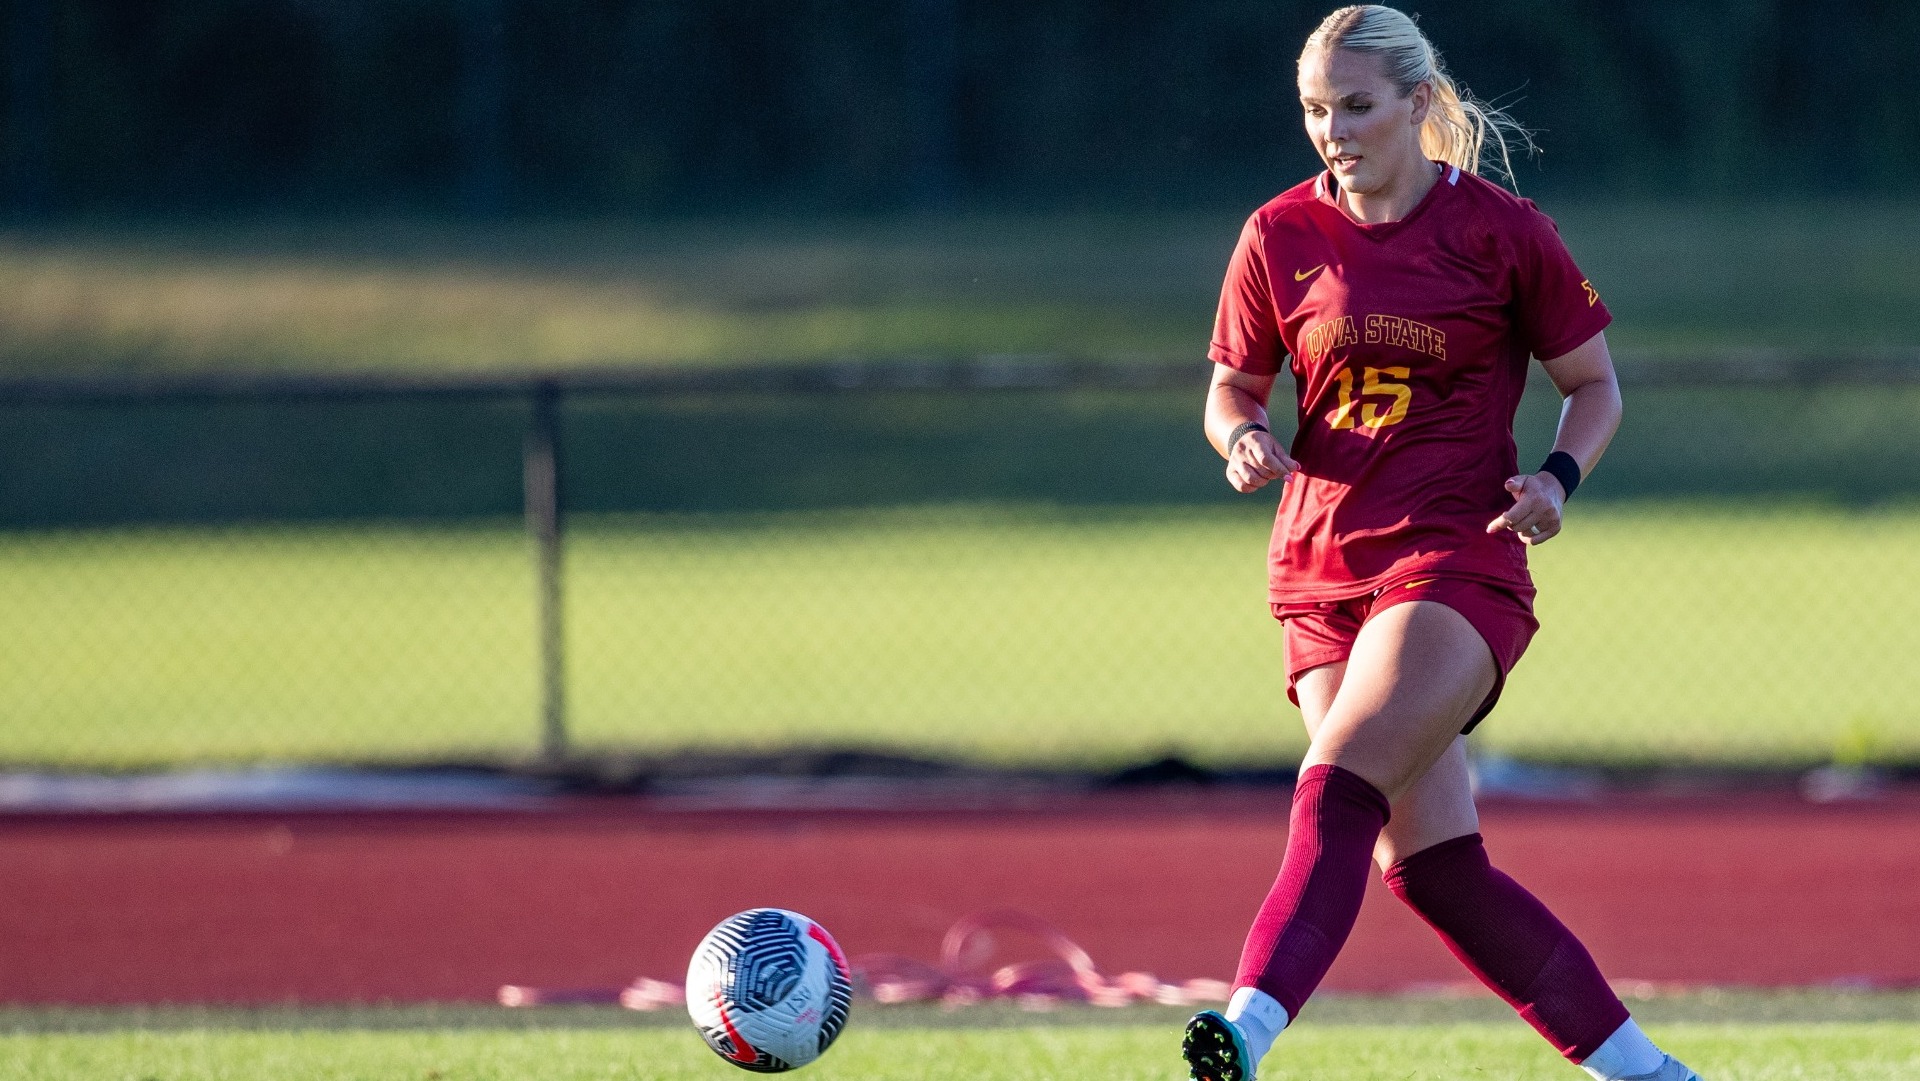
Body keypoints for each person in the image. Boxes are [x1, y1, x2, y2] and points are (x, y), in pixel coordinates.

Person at [1180, 7, 1702, 1081]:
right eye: (1315, 109)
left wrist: (1557, 479)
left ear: (1418, 104)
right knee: (1434, 870)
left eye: (1356, 106)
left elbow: (1593, 384)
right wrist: (1240, 434)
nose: (1333, 129)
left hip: (1453, 561)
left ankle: (1244, 1029)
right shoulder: (1276, 233)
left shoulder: (1501, 230)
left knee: (1335, 786)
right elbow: (1232, 384)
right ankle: (1653, 1076)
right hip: (1318, 569)